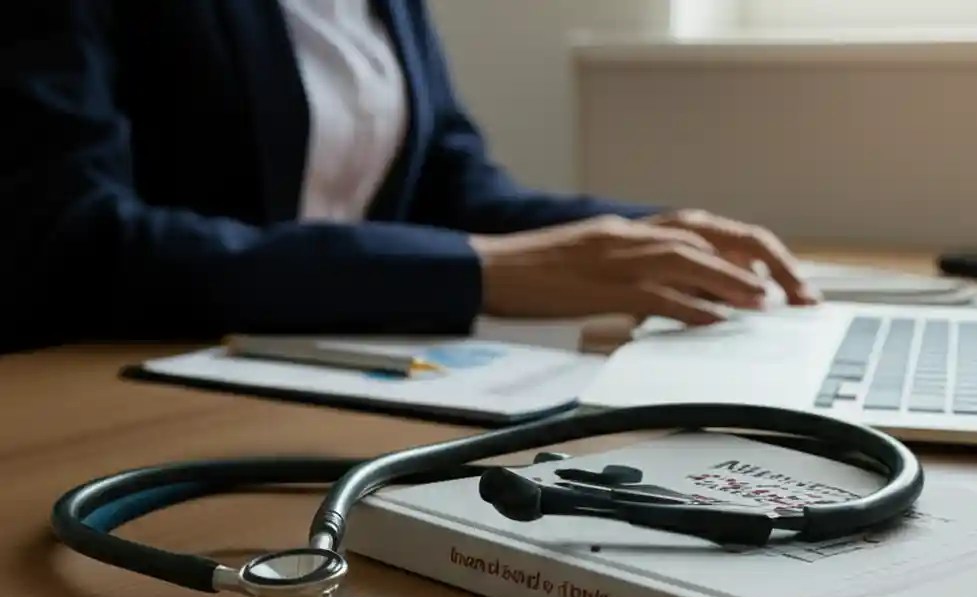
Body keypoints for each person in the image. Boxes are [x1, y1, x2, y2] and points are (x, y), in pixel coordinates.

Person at [0, 1, 819, 353]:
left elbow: (454, 189)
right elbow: (73, 242)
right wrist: (479, 272)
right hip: (105, 386)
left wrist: (647, 236)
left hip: (315, 373)